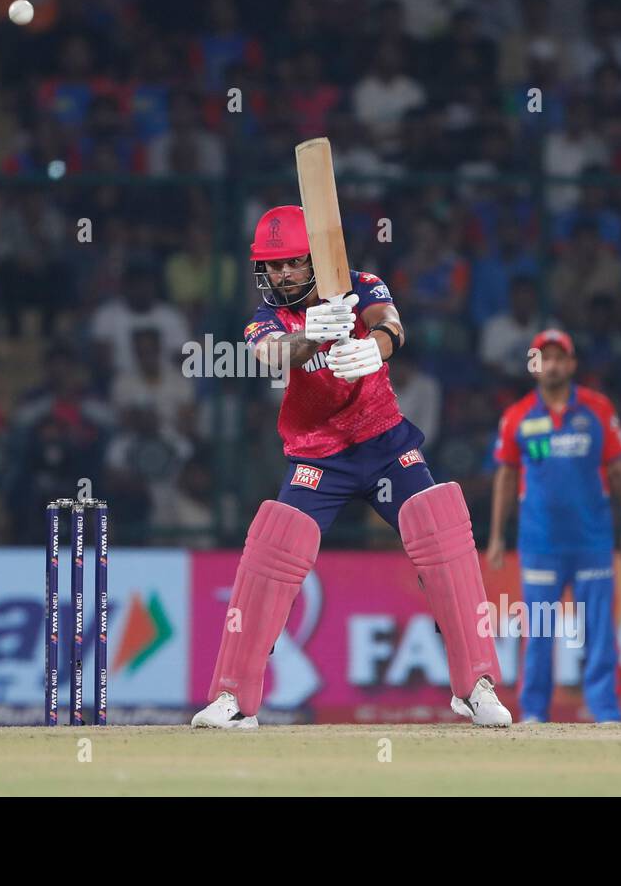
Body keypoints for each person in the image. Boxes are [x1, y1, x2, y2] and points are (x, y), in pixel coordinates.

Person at [191, 205, 511, 730]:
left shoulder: (361, 285)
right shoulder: (266, 317)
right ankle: (235, 699)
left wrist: (376, 350)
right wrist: (312, 336)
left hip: (384, 442)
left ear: (316, 260)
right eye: (272, 267)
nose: (281, 275)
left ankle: (475, 685)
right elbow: (272, 356)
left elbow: (391, 325)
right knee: (275, 543)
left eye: (292, 263)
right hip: (318, 455)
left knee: (440, 523)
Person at [486, 329, 621, 722]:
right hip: (539, 542)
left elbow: (620, 472)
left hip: (593, 539)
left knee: (599, 631)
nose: (552, 365)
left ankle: (605, 710)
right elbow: (505, 478)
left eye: (559, 358)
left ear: (572, 365)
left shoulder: (598, 409)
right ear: (534, 366)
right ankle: (534, 712)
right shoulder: (517, 416)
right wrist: (497, 536)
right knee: (538, 633)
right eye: (544, 357)